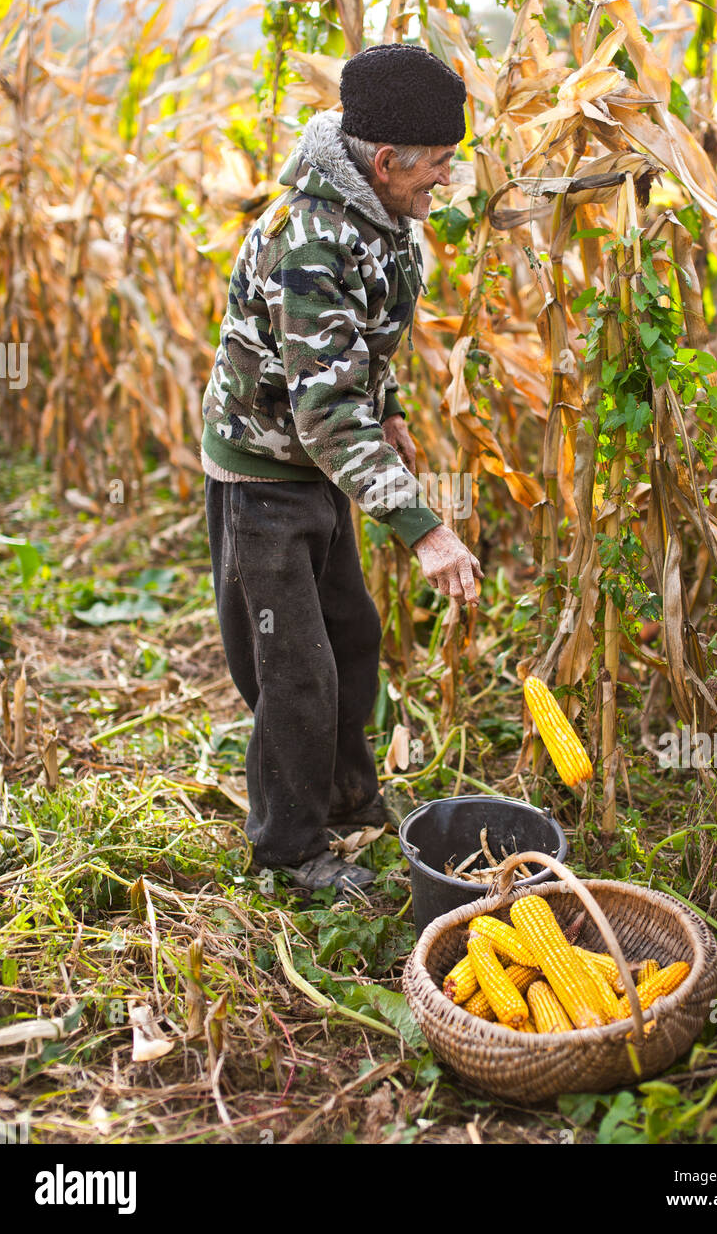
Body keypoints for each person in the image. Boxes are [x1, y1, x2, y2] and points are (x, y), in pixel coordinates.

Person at [201, 43, 483, 894]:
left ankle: (347, 798)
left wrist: (388, 409)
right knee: (294, 667)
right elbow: (323, 415)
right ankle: (287, 853)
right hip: (266, 475)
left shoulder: (381, 218)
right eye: (436, 167)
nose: (444, 182)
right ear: (387, 159)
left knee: (351, 636)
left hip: (317, 465)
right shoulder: (311, 240)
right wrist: (425, 529)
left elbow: (362, 346)